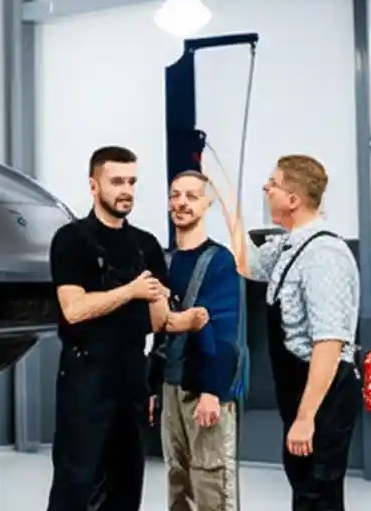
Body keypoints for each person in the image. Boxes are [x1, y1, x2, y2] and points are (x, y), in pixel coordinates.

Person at [46, 145, 208, 511]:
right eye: (116, 181)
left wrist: (158, 301)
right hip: (85, 376)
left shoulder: (145, 245)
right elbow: (73, 310)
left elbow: (154, 322)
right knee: (77, 481)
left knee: (126, 482)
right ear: (94, 185)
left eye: (132, 181)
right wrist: (130, 291)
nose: (126, 191)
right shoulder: (71, 240)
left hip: (131, 376)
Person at [220, 154, 361, 510]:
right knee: (303, 484)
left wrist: (305, 417)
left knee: (318, 493)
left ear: (294, 200)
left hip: (323, 393)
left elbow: (329, 342)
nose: (266, 189)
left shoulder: (325, 254)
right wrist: (225, 198)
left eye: (273, 183)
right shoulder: (288, 245)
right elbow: (246, 262)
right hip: (297, 388)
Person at [150, 170, 247, 511]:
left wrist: (212, 392)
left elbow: (226, 334)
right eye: (176, 195)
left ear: (207, 203)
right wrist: (152, 386)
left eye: (191, 196)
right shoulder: (166, 262)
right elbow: (159, 333)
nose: (182, 203)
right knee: (178, 480)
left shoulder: (221, 262)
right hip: (171, 387)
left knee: (211, 482)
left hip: (205, 391)